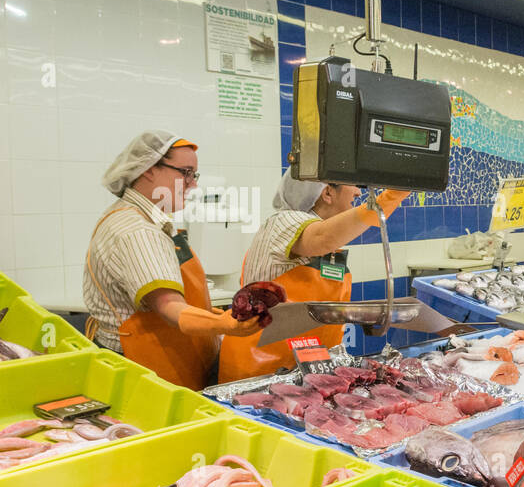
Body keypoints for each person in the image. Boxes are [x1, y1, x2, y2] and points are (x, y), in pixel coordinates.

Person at [84, 131, 260, 390]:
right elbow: (168, 306)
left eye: (194, 175)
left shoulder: (142, 218)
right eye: (185, 172)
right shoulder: (138, 230)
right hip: (141, 369)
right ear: (148, 170)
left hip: (157, 360)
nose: (193, 185)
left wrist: (213, 316)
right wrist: (224, 324)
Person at [217, 169, 411, 382]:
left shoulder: (320, 238)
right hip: (259, 371)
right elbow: (324, 236)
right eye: (352, 184)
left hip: (300, 370)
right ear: (327, 193)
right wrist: (392, 195)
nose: (357, 192)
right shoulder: (283, 221)